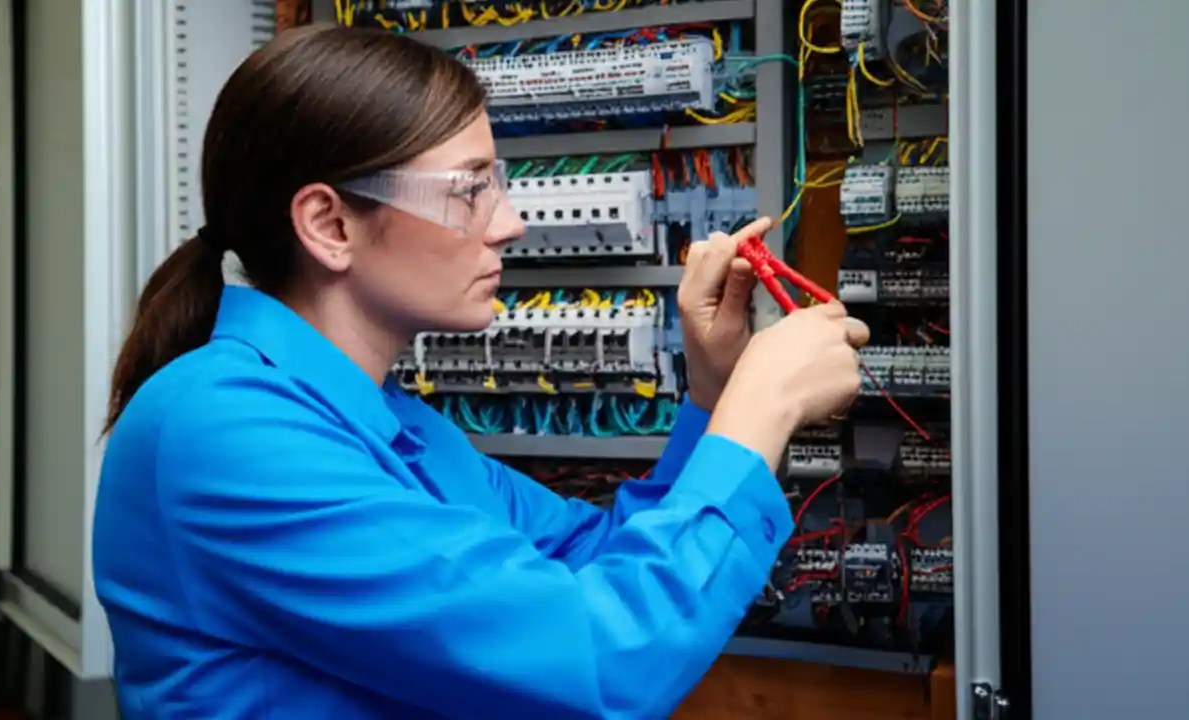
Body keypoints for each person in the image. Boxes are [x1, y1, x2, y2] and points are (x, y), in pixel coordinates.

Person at [92, 25, 868, 720]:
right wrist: (761, 408)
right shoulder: (223, 430)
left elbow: (592, 561)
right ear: (330, 225)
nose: (509, 222)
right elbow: (606, 658)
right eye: (470, 190)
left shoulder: (396, 426)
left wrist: (713, 394)